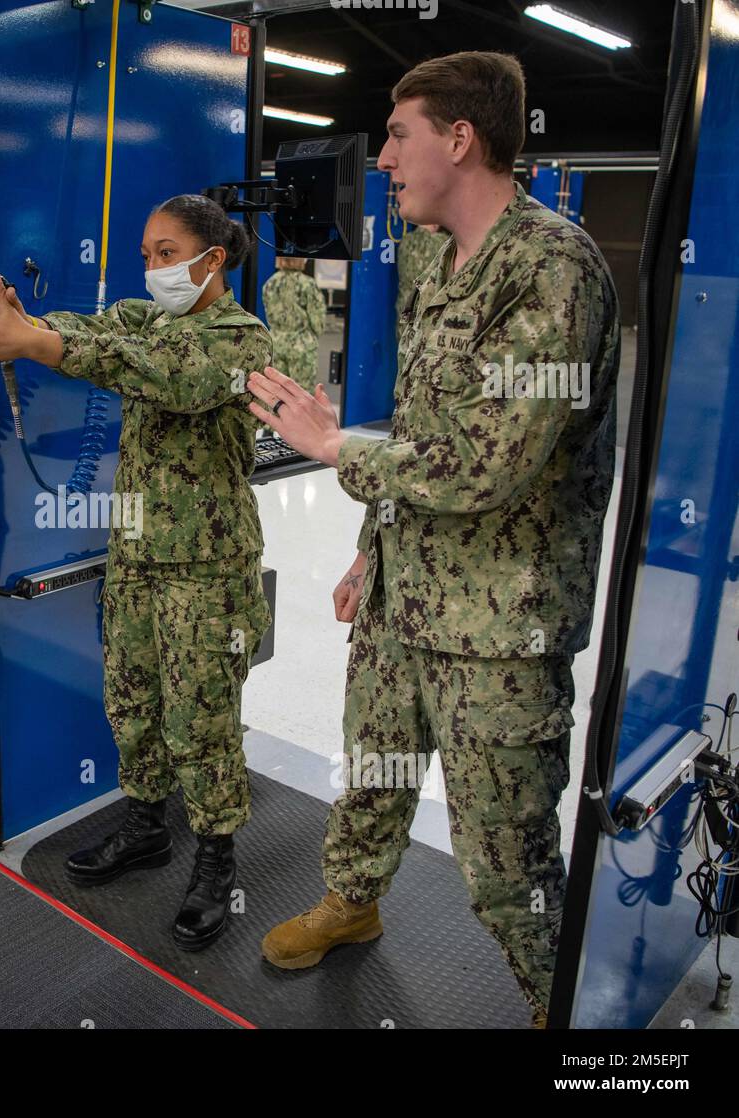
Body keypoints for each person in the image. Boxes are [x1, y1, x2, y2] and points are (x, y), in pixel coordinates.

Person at [249, 51, 619, 1027]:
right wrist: (372, 546)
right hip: (404, 597)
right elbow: (424, 429)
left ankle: (561, 1004)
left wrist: (330, 445)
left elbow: (493, 464)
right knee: (370, 775)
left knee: (507, 860)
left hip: (497, 629)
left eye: (398, 133)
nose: (379, 158)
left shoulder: (550, 267)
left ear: (460, 138)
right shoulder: (437, 266)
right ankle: (353, 901)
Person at [0, 194, 272, 950]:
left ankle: (216, 863)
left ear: (213, 260)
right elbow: (95, 330)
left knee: (201, 721)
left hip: (207, 565)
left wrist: (31, 347)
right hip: (138, 555)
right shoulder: (149, 317)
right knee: (132, 699)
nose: (152, 267)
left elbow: (167, 377)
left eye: (167, 253)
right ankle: (146, 828)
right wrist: (25, 326)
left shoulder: (240, 341)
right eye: (146, 254)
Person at [262, 256, 327, 392]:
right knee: (301, 394)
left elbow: (268, 313)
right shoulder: (307, 284)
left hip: (276, 343)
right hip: (301, 346)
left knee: (278, 393)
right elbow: (318, 321)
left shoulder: (270, 283)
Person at [396, 222, 450, 318]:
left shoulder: (406, 240)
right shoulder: (442, 242)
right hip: (428, 310)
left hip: (405, 307)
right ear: (435, 224)